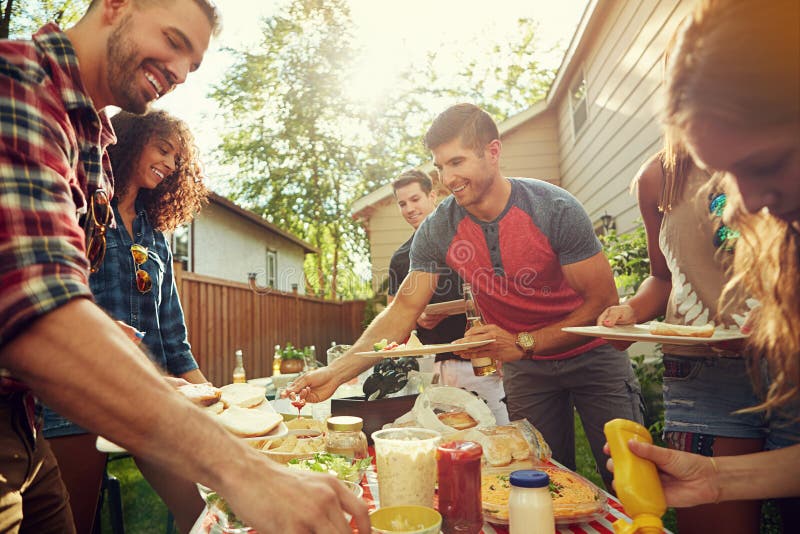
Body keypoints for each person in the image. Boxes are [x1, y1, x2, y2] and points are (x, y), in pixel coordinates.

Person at [0, 1, 369, 533]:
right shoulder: (19, 84)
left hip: (27, 420)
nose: (178, 73)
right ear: (116, 5)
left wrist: (144, 363)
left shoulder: (92, 143)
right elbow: (41, 318)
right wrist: (248, 474)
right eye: (174, 41)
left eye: (191, 65)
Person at [290, 103, 643, 487]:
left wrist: (524, 342)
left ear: (493, 152)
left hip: (592, 355)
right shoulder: (439, 228)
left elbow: (601, 302)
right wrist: (335, 373)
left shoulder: (553, 208)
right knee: (542, 481)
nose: (447, 178)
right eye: (440, 166)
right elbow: (402, 310)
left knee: (629, 480)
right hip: (527, 371)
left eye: (457, 162)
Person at [605, 0, 799, 518]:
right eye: (727, 176)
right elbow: (661, 277)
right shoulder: (660, 178)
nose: (747, 203)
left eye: (768, 163)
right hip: (706, 372)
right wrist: (714, 479)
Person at [41, 109, 211, 533]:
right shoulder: (83, 210)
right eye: (163, 150)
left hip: (148, 396)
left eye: (177, 159)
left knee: (203, 512)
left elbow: (173, 338)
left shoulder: (156, 237)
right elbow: (59, 304)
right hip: (76, 397)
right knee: (72, 524)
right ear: (130, 142)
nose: (170, 164)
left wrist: (212, 397)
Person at [388, 169, 508, 424]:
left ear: (432, 196)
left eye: (415, 199)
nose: (409, 208)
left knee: (494, 430)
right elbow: (394, 319)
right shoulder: (399, 259)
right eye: (402, 203)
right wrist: (417, 318)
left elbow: (500, 296)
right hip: (430, 370)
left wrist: (502, 350)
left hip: (478, 361)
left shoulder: (467, 240)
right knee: (439, 438)